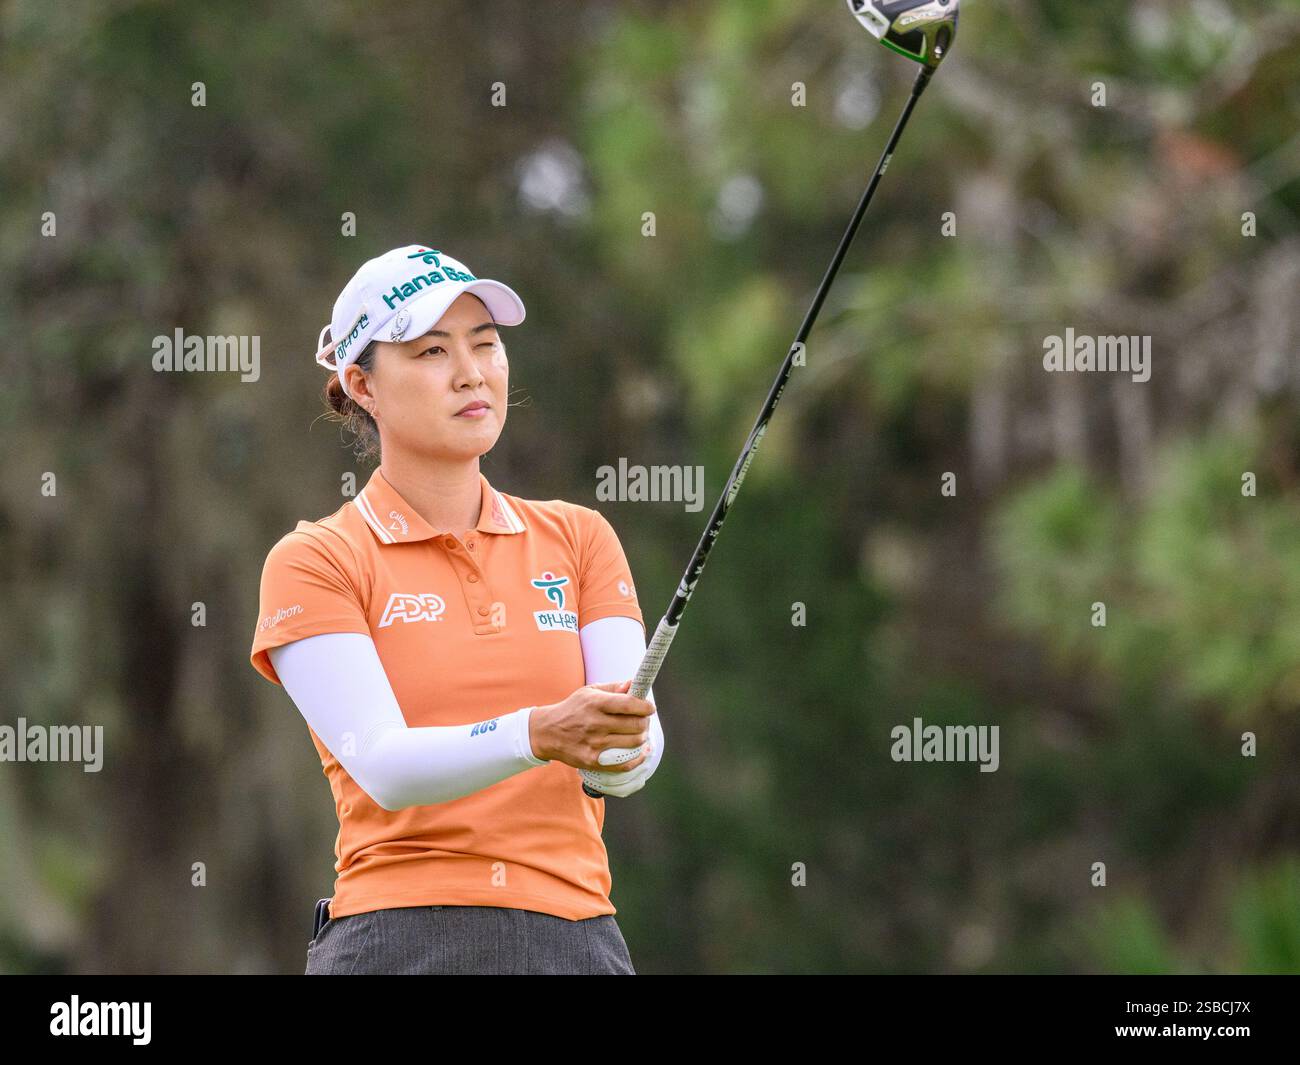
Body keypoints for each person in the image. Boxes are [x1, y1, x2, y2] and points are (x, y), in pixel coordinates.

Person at [249, 244, 664, 974]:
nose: (472, 371)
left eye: (487, 344)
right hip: (404, 939)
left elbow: (627, 757)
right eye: (433, 350)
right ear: (361, 384)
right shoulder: (316, 559)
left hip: (581, 936)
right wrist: (539, 731)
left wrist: (627, 744)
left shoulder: (580, 538)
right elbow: (386, 764)